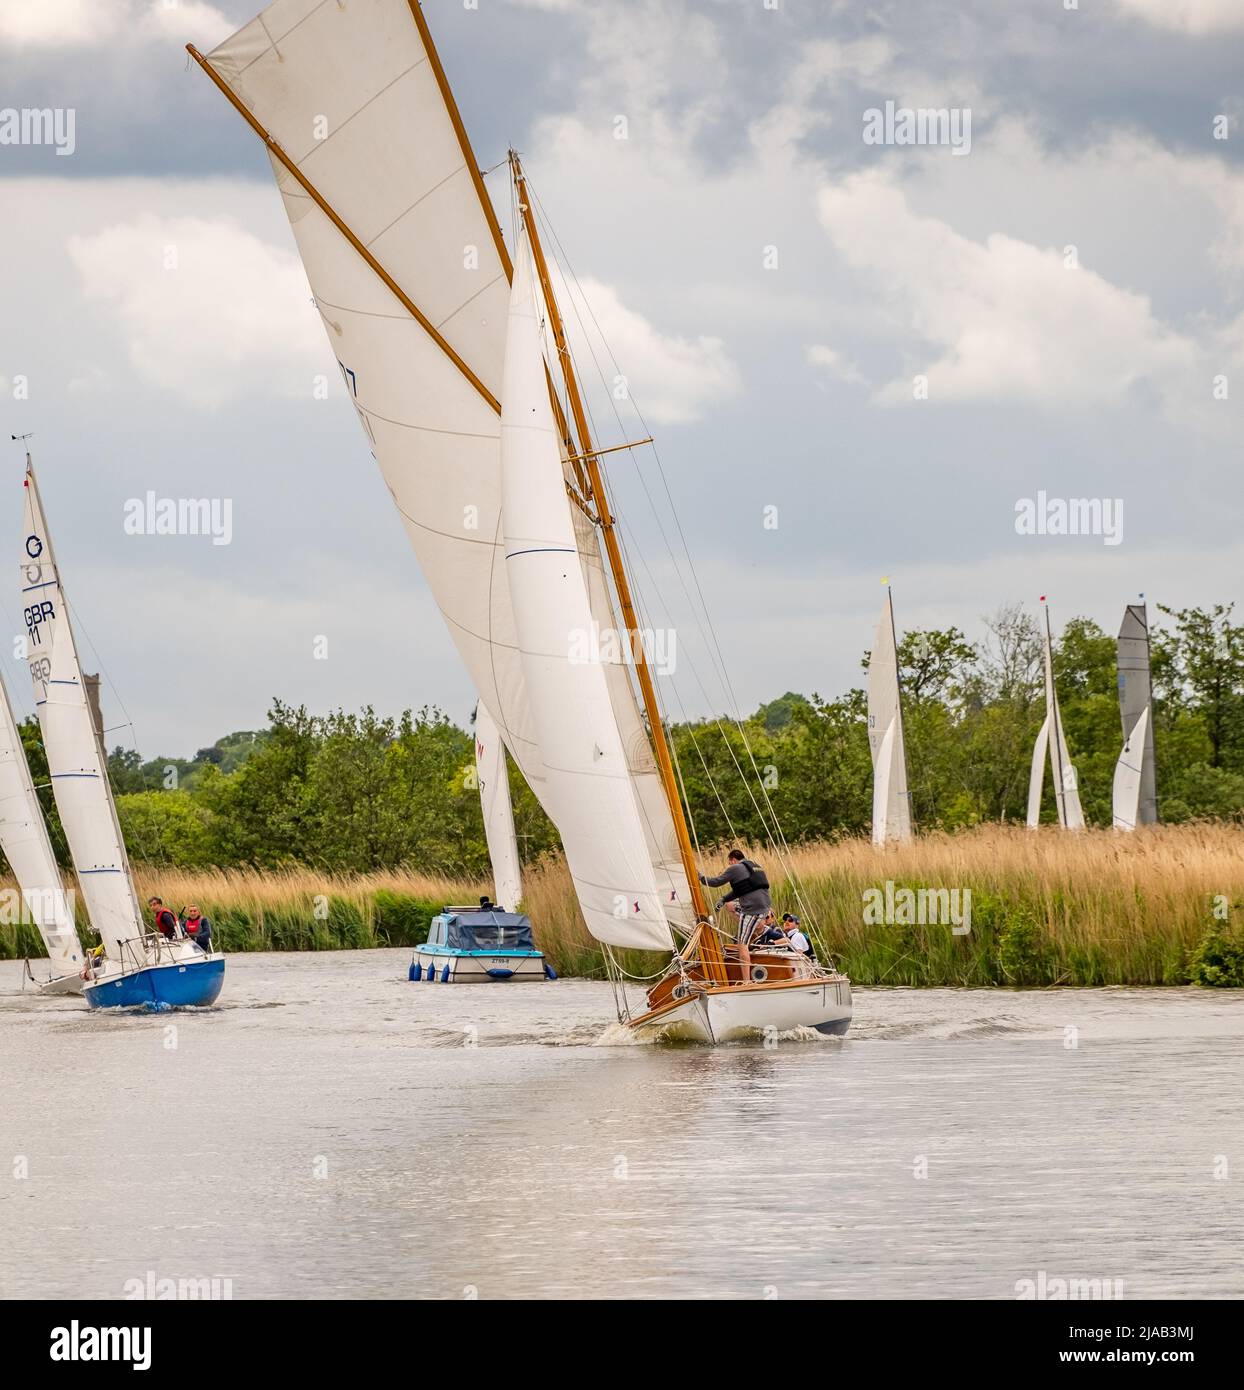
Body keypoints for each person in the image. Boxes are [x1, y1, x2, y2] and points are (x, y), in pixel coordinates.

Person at [700, 849, 771, 978]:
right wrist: (723, 899)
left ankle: (746, 981)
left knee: (741, 944)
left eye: (729, 863)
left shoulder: (735, 868)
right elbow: (743, 889)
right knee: (731, 906)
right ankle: (753, 929)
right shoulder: (754, 866)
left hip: (752, 909)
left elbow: (715, 882)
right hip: (765, 906)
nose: (729, 865)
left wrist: (699, 877)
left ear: (733, 860)